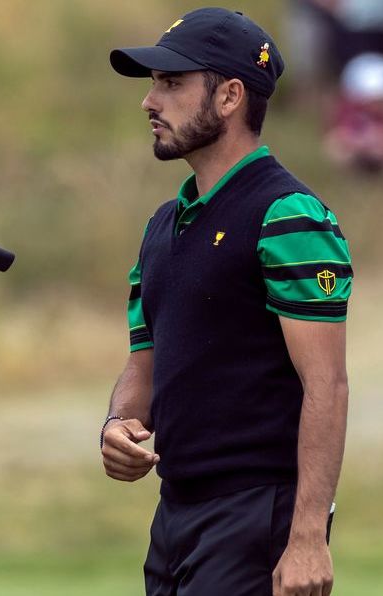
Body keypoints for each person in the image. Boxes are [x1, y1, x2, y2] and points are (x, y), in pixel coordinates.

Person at [102, 8, 352, 596]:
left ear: (230, 96)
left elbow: (327, 384)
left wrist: (308, 536)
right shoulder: (163, 226)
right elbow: (144, 363)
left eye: (171, 83)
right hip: (175, 516)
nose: (149, 102)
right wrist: (119, 423)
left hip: (254, 517)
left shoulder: (288, 217)